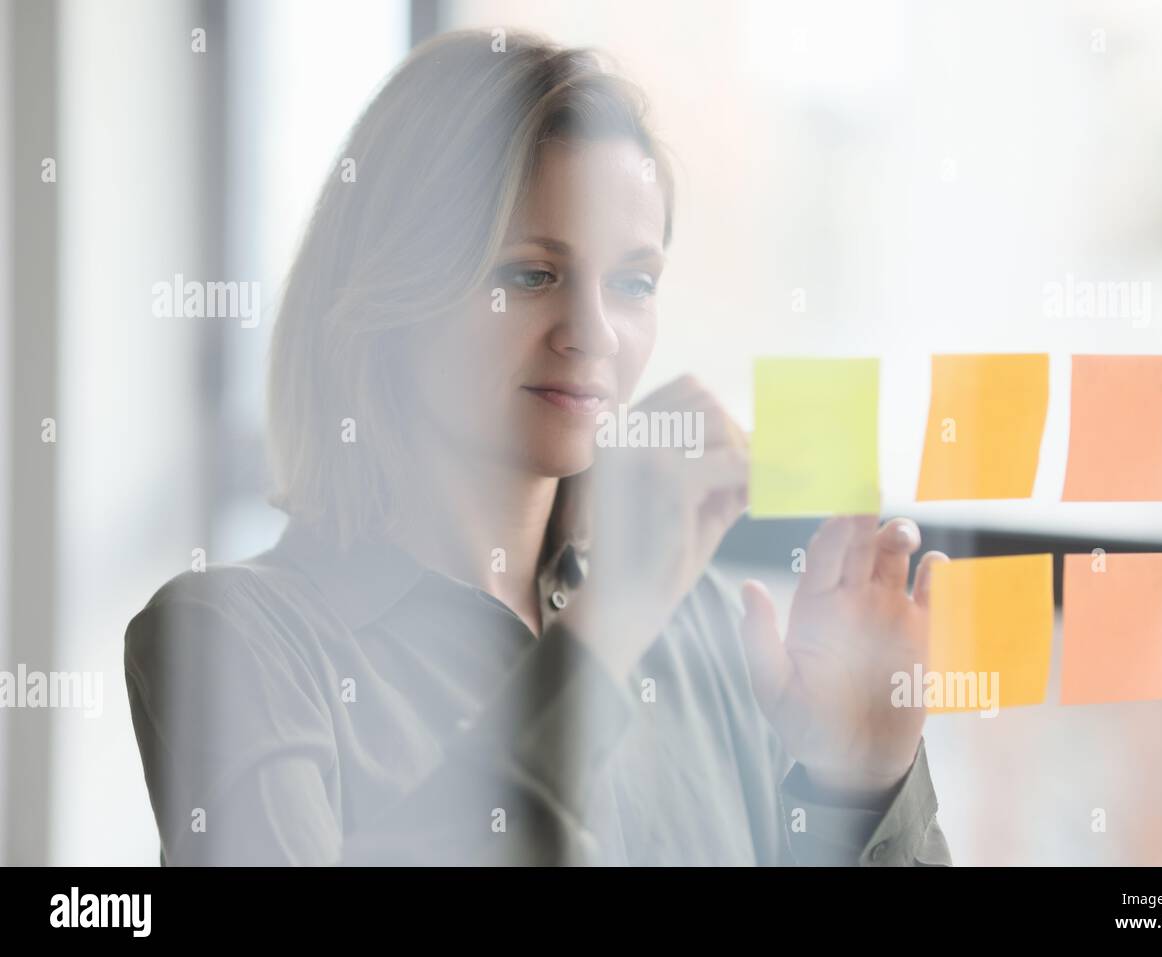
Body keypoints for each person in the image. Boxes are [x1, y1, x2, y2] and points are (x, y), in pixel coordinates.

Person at [124, 27, 952, 866]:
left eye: (633, 282)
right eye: (530, 274)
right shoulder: (237, 641)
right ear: (390, 292)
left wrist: (862, 783)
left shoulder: (704, 627)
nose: (593, 335)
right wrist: (600, 638)